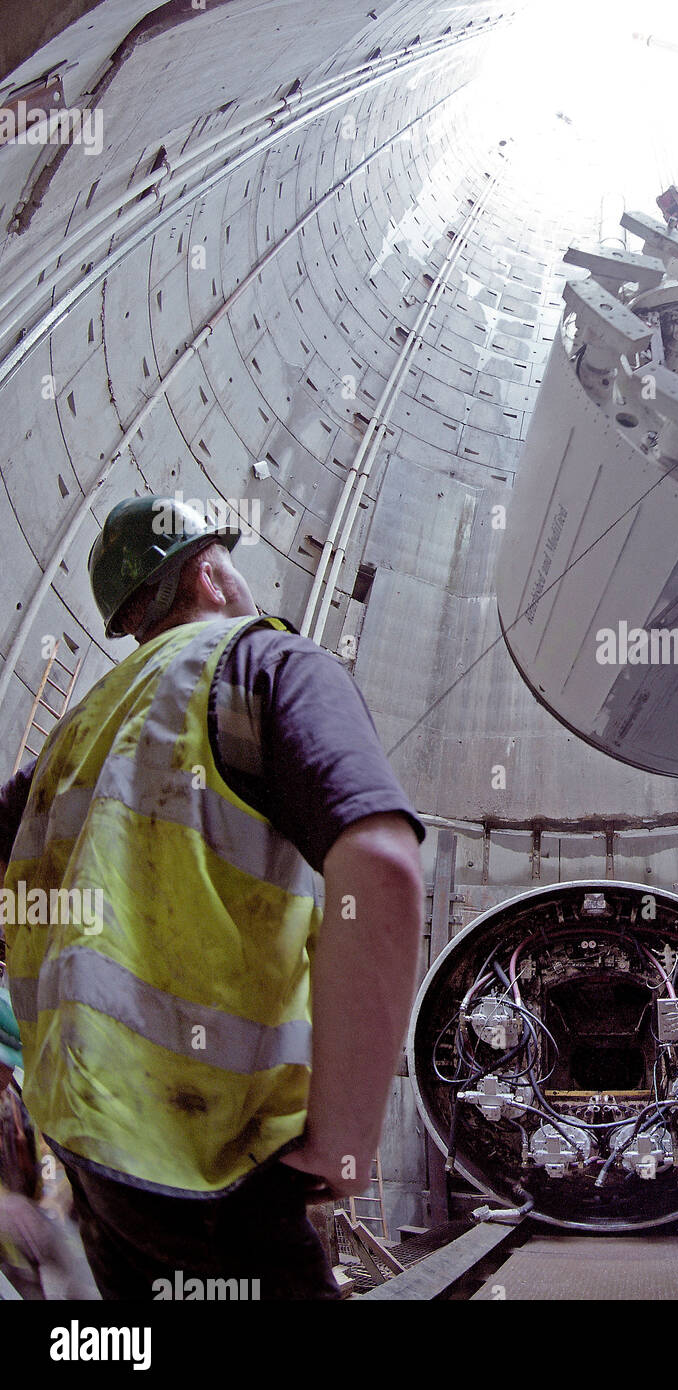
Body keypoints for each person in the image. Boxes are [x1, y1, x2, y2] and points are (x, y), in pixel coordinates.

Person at [0, 495, 425, 1299]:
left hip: (89, 1145)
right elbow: (380, 870)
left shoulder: (73, 732)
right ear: (207, 569)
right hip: (206, 1161)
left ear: (132, 618)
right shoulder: (266, 667)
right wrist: (346, 1138)